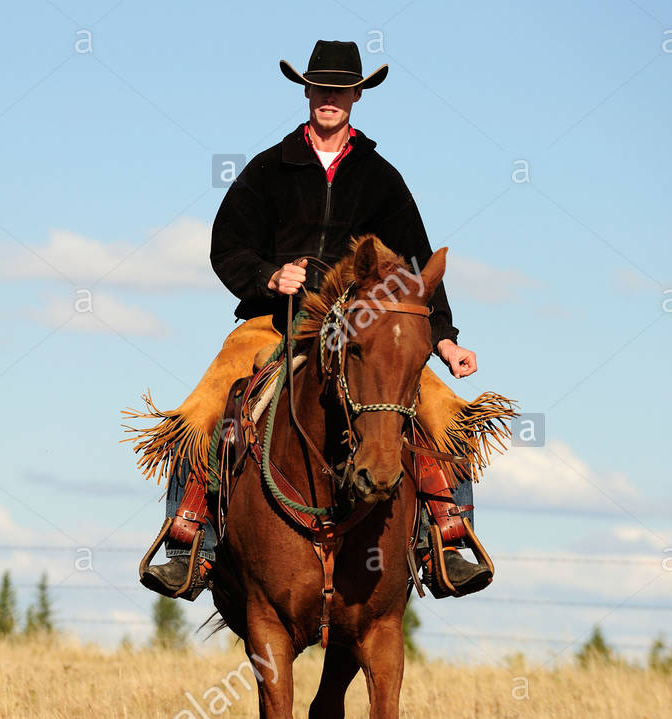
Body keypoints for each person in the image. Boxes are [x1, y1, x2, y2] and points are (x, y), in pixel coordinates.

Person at [140, 40, 488, 600]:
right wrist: (269, 277)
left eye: (340, 88)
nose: (329, 97)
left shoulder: (381, 178)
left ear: (356, 96)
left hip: (366, 330)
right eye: (320, 86)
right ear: (306, 92)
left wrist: (445, 340)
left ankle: (447, 539)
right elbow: (227, 246)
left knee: (444, 411)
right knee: (205, 406)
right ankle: (189, 541)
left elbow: (418, 269)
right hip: (274, 323)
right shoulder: (268, 169)